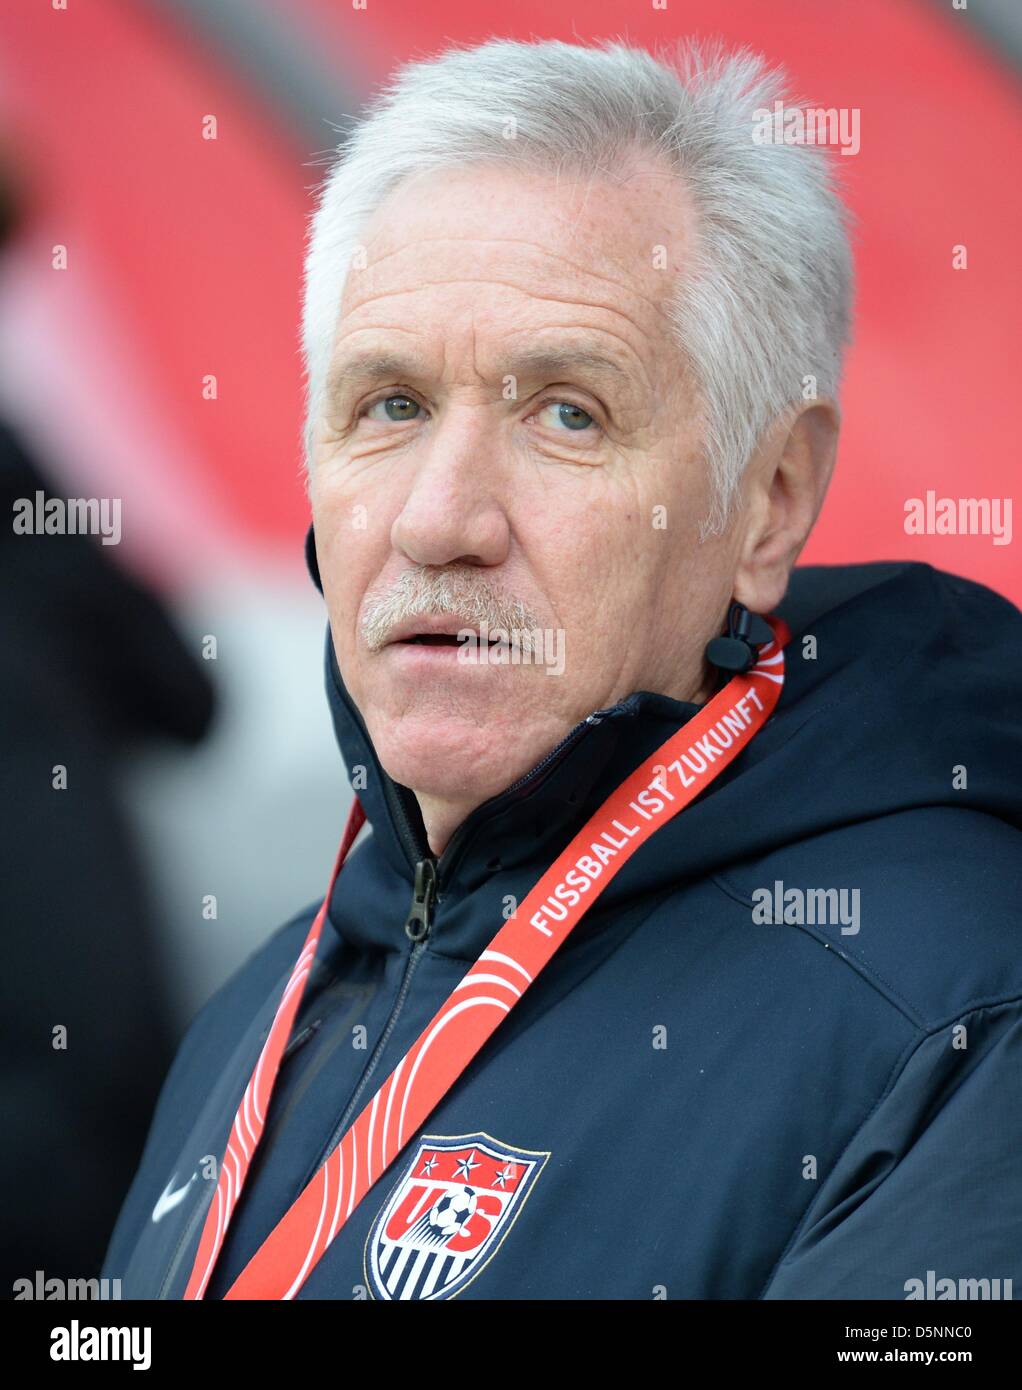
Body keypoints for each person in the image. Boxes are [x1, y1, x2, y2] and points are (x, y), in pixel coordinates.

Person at [102, 37, 1022, 1301]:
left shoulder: (961, 1019)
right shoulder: (263, 1005)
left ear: (768, 498)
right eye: (389, 404)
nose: (437, 520)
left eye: (565, 413)